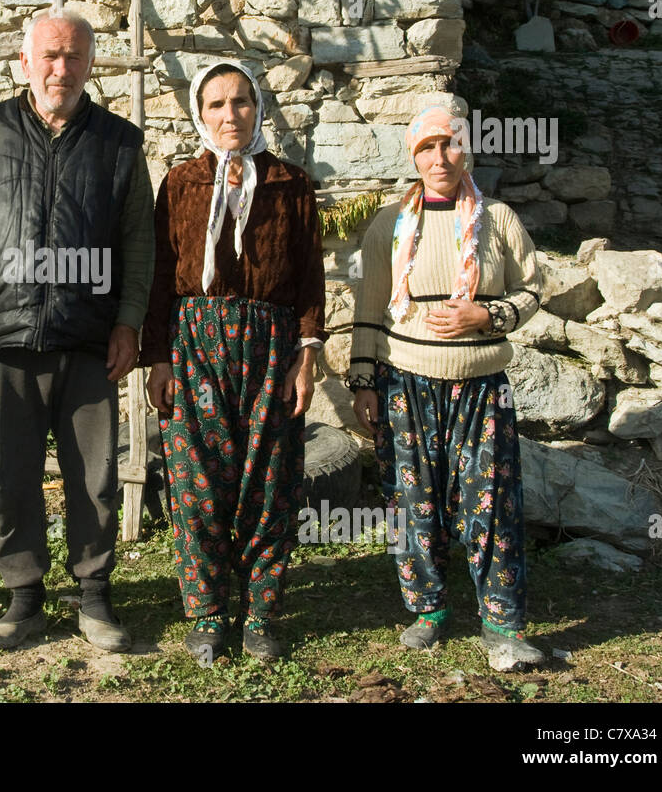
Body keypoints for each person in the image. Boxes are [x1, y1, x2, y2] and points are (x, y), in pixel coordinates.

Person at [0, 7, 155, 653]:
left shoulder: (121, 143)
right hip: (6, 333)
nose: (60, 68)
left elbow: (138, 242)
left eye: (74, 56)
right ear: (25, 63)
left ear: (91, 64)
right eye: (50, 56)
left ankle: (94, 597)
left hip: (88, 336)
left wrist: (127, 322)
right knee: (10, 474)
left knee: (93, 477)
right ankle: (23, 601)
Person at [348, 104, 545, 669]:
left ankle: (503, 621)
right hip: (406, 384)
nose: (440, 158)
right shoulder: (389, 225)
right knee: (412, 502)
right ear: (414, 156)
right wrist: (364, 383)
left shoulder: (498, 219)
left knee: (492, 502)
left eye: (450, 145)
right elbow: (370, 307)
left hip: (481, 387)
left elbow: (533, 289)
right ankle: (428, 607)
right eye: (428, 148)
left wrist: (487, 316)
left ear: (468, 151)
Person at [141, 60, 325, 664]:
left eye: (241, 102)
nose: (230, 115)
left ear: (258, 107)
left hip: (271, 346)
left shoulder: (291, 183)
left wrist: (307, 356)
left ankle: (263, 612)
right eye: (216, 104)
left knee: (268, 482)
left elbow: (308, 280)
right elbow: (161, 278)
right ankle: (208, 611)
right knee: (197, 482)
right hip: (195, 343)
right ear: (200, 112)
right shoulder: (180, 183)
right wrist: (159, 358)